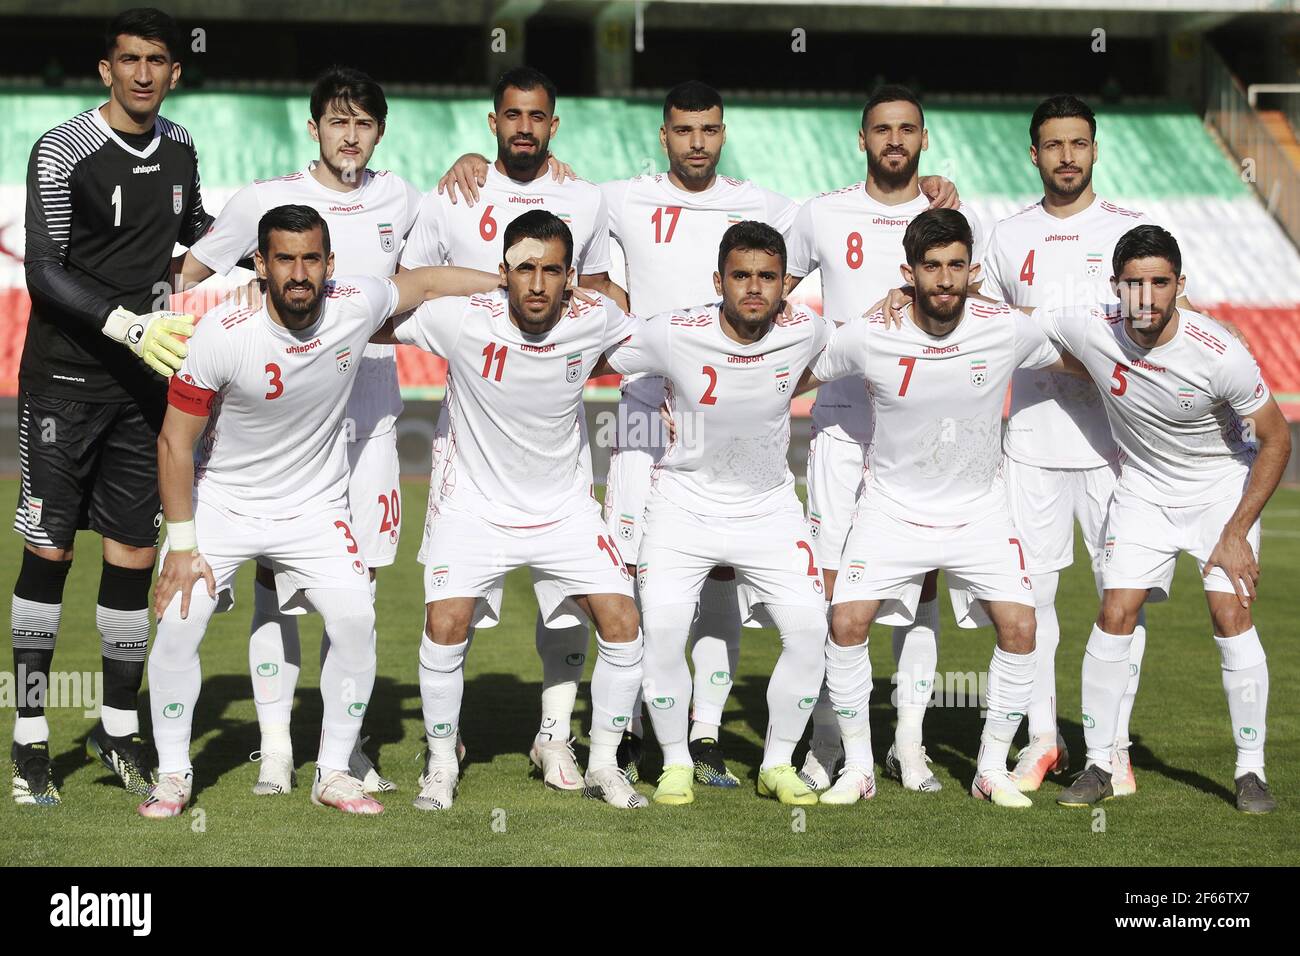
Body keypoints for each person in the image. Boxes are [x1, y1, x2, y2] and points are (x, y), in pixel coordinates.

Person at [139, 205, 499, 818]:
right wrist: (180, 545)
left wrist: (509, 281)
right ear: (260, 263)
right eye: (284, 259)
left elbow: (430, 282)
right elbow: (175, 442)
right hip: (226, 500)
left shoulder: (355, 302)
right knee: (179, 618)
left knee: (356, 619)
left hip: (314, 507)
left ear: (330, 265)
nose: (299, 273)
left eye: (311, 259)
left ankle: (333, 771)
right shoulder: (223, 333)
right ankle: (173, 775)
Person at [175, 66, 421, 796]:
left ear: (379, 132)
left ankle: (345, 747)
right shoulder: (264, 200)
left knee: (358, 586)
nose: (351, 136)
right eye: (338, 122)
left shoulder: (399, 196)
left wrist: (475, 165)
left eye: (365, 123)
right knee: (272, 576)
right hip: (280, 414)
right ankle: (278, 747)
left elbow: (426, 272)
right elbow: (186, 272)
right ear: (313, 128)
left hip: (370, 406)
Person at [400, 67, 627, 793]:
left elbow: (612, 296)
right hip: (473, 466)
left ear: (553, 125)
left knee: (582, 607)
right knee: (446, 617)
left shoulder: (584, 199)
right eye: (511, 115)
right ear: (491, 120)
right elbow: (407, 285)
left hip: (558, 478)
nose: (524, 127)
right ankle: (443, 754)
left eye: (537, 116)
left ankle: (559, 741)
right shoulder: (453, 193)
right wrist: (493, 286)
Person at [806, 208, 1080, 808]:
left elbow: (1077, 360)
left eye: (957, 265)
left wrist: (1140, 376)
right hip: (890, 510)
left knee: (1022, 625)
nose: (946, 278)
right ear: (910, 273)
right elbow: (794, 373)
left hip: (980, 510)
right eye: (932, 266)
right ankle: (858, 766)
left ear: (973, 270)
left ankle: (989, 768)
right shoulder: (871, 330)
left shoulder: (1005, 327)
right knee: (845, 623)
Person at [377, 210, 646, 811]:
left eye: (552, 270)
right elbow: (367, 320)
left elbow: (655, 348)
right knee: (445, 624)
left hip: (565, 509)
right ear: (503, 272)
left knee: (624, 623)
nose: (538, 283)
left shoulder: (596, 318)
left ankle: (602, 760)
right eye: (524, 269)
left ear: (571, 277)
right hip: (472, 507)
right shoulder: (457, 319)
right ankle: (442, 761)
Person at [12, 7, 210, 805]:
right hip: (64, 381)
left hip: (144, 386)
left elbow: (196, 232)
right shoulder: (62, 148)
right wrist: (127, 324)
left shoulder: (183, 146)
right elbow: (44, 271)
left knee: (131, 555)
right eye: (127, 59)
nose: (141, 73)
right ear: (106, 69)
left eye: (156, 60)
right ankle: (29, 739)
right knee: (50, 552)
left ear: (174, 72)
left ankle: (117, 729)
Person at [978, 95, 1198, 794]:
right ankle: (1043, 741)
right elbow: (983, 326)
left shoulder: (1133, 230)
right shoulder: (1007, 237)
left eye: (1078, 143)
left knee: (1119, 600)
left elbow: (1168, 326)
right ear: (1033, 153)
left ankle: (1111, 747)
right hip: (1033, 443)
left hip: (1119, 451)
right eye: (1053, 144)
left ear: (1095, 150)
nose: (1066, 156)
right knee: (1030, 600)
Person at [1034, 226, 1287, 814]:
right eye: (1133, 283)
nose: (1145, 296)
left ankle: (1251, 772)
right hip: (1143, 490)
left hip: (1220, 491)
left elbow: (1276, 441)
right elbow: (1015, 319)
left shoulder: (1220, 351)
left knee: (1230, 614)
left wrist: (1235, 532)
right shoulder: (1089, 324)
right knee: (1114, 610)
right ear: (1115, 286)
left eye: (1159, 283)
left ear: (1180, 286)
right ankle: (1101, 762)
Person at [596, 80, 801, 788]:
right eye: (683, 130)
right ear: (664, 135)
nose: (696, 142)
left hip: (726, 415)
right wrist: (474, 157)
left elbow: (819, 256)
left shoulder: (766, 206)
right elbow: (546, 206)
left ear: (724, 131)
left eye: (709, 129)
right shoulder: (620, 197)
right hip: (642, 407)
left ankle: (705, 733)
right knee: (624, 570)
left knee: (720, 574)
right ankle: (623, 728)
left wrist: (933, 187)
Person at [784, 85, 977, 794]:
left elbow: (973, 302)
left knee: (920, 583)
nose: (894, 141)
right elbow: (771, 289)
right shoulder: (821, 213)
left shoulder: (948, 214)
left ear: (924, 138)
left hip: (923, 431)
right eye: (881, 130)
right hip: (840, 422)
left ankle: (911, 745)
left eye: (907, 130)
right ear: (862, 139)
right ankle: (832, 741)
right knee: (838, 590)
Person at [602, 221, 833, 808]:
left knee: (810, 631)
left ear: (786, 284)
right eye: (741, 276)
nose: (754, 288)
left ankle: (777, 763)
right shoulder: (675, 332)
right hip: (682, 508)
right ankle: (676, 762)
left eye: (767, 277)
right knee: (663, 635)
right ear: (718, 281)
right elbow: (599, 353)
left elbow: (859, 350)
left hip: (770, 508)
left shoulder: (806, 327)